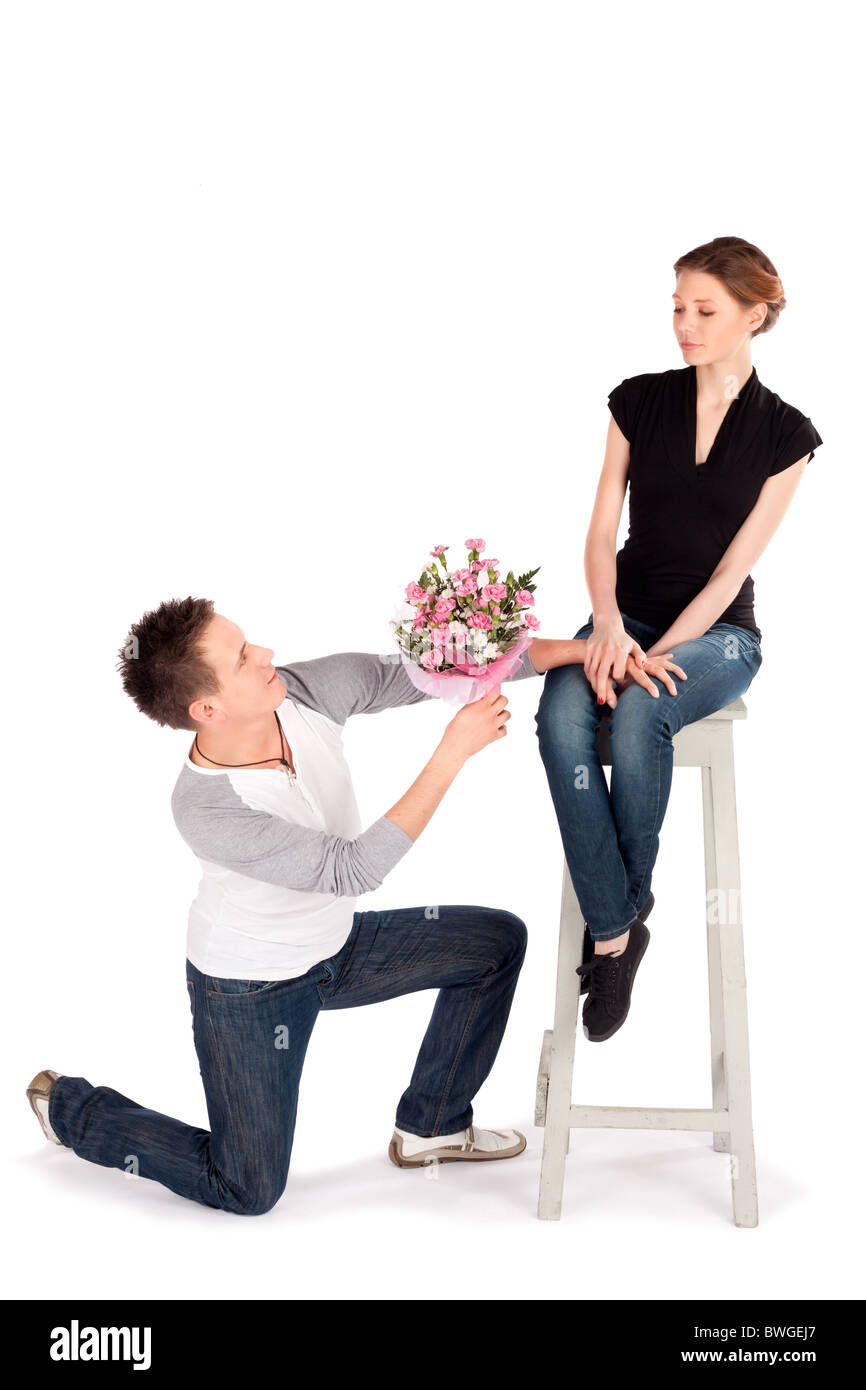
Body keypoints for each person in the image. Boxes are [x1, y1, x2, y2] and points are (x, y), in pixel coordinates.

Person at [25, 598, 664, 1214]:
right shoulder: (206, 808)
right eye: (244, 656)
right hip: (251, 985)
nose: (267, 652)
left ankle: (432, 1128)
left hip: (339, 949)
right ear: (208, 708)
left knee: (495, 944)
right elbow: (351, 869)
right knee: (246, 1188)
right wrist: (452, 754)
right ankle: (71, 1109)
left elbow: (440, 674)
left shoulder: (304, 690)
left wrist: (590, 652)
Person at [535, 235, 823, 1044]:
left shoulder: (787, 435)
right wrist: (613, 628)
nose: (683, 325)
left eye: (704, 310)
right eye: (676, 308)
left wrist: (653, 658)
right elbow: (598, 537)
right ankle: (623, 919)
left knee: (638, 713)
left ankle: (614, 930)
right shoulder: (638, 401)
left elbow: (731, 574)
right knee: (559, 719)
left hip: (718, 635)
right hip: (621, 615)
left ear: (753, 315)